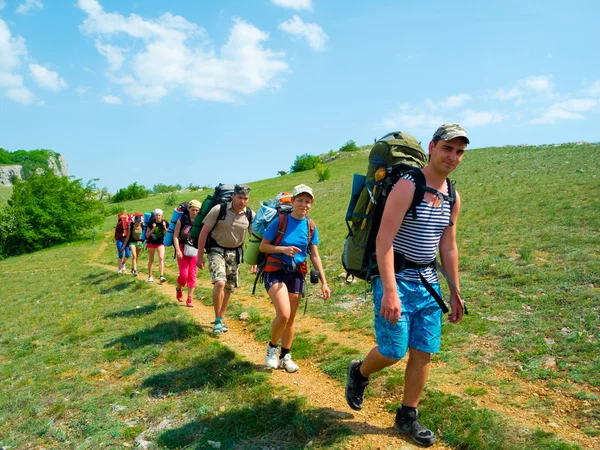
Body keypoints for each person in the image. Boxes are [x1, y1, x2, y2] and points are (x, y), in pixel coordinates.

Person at [345, 123, 469, 447]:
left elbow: (449, 246)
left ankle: (407, 416)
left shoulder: (452, 196)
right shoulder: (407, 185)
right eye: (447, 149)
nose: (453, 157)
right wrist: (389, 290)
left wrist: (455, 291)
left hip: (428, 282)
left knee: (424, 351)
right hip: (396, 277)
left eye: (459, 152)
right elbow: (383, 240)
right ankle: (359, 373)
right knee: (393, 350)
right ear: (432, 147)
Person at [259, 184, 331, 373]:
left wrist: (324, 282)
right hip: (275, 270)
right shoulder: (280, 222)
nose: (304, 204)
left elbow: (314, 255)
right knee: (283, 313)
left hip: (297, 272)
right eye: (300, 200)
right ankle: (272, 348)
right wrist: (283, 249)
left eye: (307, 201)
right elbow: (263, 247)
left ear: (311, 204)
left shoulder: (310, 226)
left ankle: (285, 356)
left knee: (291, 318)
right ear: (292, 202)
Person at [196, 184, 254, 334]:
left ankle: (221, 317)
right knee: (220, 282)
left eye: (245, 198)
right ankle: (217, 320)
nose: (242, 201)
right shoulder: (219, 210)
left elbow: (255, 238)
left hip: (235, 253)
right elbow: (203, 232)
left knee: (229, 287)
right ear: (233, 196)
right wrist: (200, 255)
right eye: (240, 197)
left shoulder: (249, 214)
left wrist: (255, 261)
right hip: (216, 249)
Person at [173, 200, 201, 307]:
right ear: (188, 209)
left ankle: (189, 298)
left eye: (197, 210)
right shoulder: (182, 219)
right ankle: (179, 288)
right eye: (193, 210)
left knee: (192, 275)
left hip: (195, 250)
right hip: (182, 249)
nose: (195, 212)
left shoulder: (201, 222)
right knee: (184, 275)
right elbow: (175, 236)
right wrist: (178, 250)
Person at [146, 208, 168, 283]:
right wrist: (153, 228)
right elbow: (147, 235)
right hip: (151, 243)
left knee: (161, 258)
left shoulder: (164, 222)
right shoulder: (151, 223)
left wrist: (165, 227)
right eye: (156, 215)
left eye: (159, 215)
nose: (158, 217)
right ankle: (150, 276)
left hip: (160, 243)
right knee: (151, 260)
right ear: (155, 216)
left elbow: (169, 233)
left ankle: (161, 276)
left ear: (161, 216)